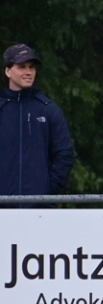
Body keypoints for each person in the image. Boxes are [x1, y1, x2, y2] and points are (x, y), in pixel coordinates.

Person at [1, 44, 75, 198]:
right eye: (22, 67)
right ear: (8, 71)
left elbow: (65, 154)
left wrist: (47, 191)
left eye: (31, 67)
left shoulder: (48, 110)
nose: (28, 72)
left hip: (40, 207)